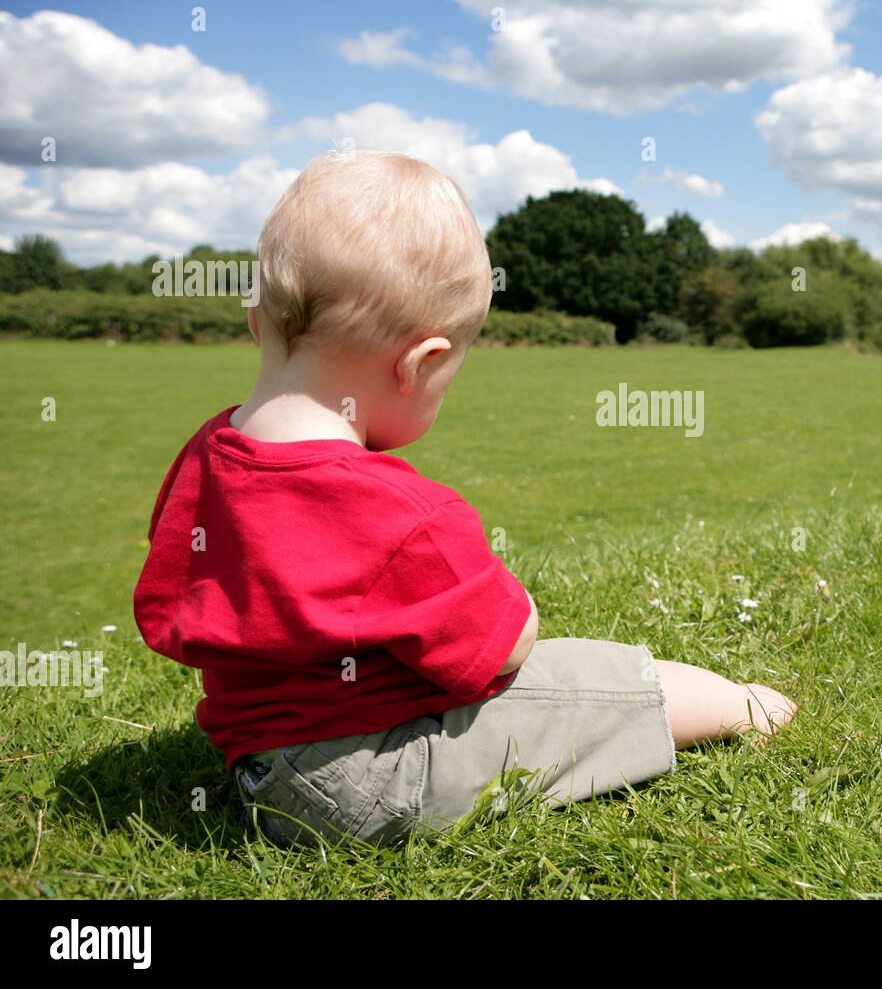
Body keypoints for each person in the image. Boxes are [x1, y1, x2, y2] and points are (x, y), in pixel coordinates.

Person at [134, 149, 797, 848]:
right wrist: (525, 610)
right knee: (581, 681)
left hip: (259, 772)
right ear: (417, 364)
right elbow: (505, 649)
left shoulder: (209, 454)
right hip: (365, 782)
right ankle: (743, 707)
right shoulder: (392, 507)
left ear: (254, 321)